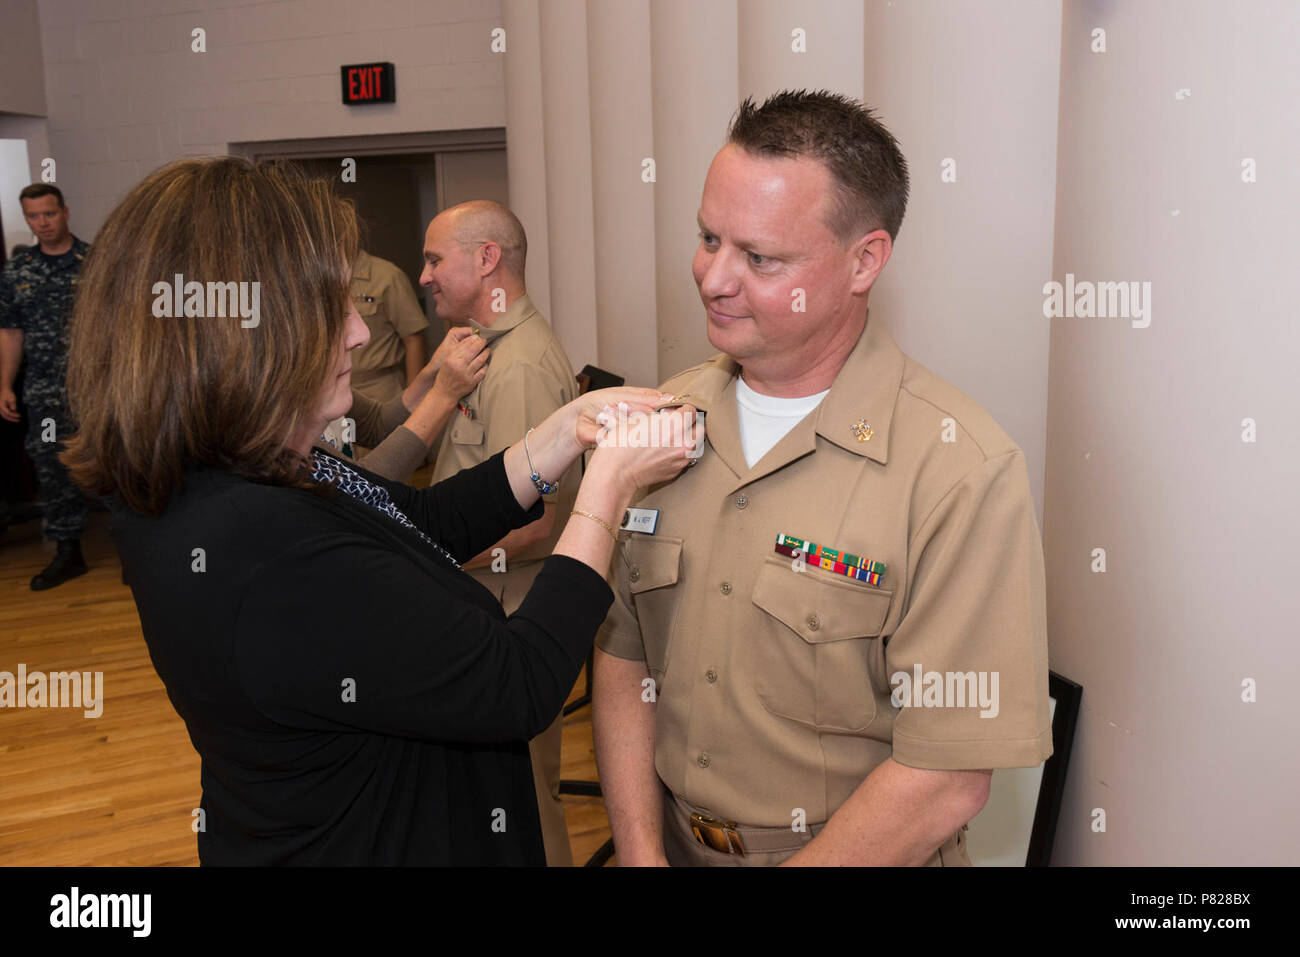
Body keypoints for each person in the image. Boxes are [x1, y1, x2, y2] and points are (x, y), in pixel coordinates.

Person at [59, 156, 701, 866]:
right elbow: (518, 683)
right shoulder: (260, 549)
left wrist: (563, 432)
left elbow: (418, 522)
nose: (362, 334)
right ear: (247, 331)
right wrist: (607, 487)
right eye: (332, 307)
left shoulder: (255, 460)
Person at [592, 90, 1053, 866]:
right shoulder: (665, 423)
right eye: (709, 238)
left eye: (759, 257)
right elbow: (623, 653)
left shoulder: (956, 468)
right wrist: (640, 850)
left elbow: (945, 775)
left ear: (864, 260)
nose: (713, 278)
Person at [417, 200, 582, 866]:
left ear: (487, 260)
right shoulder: (484, 350)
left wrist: (426, 558)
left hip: (507, 614)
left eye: (434, 259)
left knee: (527, 804)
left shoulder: (518, 366)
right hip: (481, 606)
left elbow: (538, 522)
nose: (423, 275)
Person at [0, 184, 91, 589]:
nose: (42, 223)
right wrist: (5, 384)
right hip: (43, 391)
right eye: (33, 217)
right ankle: (68, 551)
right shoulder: (17, 272)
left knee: (111, 462)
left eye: (49, 214)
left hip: (95, 389)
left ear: (65, 212)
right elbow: (11, 332)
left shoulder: (95, 262)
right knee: (51, 467)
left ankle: (131, 546)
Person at [347, 248, 429, 403]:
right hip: (330, 392)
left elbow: (413, 338)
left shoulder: (387, 276)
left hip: (378, 390)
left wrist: (413, 398)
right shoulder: (314, 276)